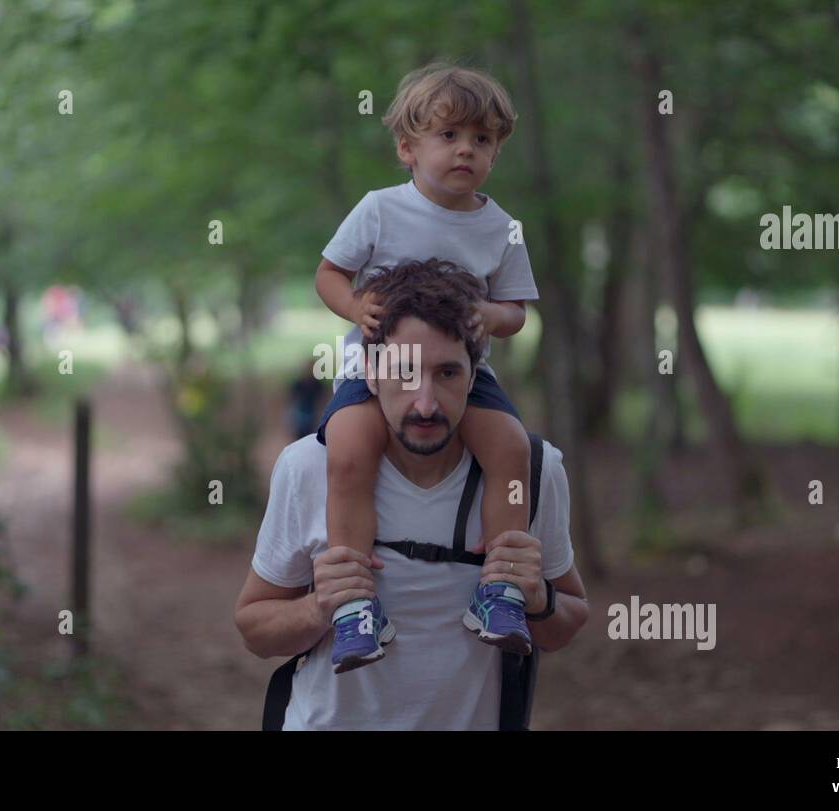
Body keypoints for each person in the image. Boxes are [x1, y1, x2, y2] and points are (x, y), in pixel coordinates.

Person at [234, 261, 588, 730]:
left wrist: (537, 597)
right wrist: (317, 606)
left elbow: (568, 619)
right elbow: (255, 628)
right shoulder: (309, 467)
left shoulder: (533, 471)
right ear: (371, 375)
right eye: (404, 372)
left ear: (474, 375)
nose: (425, 402)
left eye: (447, 373)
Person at [312, 63, 540, 672]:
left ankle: (500, 589)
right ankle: (355, 604)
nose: (467, 148)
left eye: (483, 139)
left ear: (496, 151)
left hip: (460, 375)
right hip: (375, 370)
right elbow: (329, 274)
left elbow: (517, 312)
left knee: (512, 446)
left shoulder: (501, 227)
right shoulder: (380, 210)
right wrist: (355, 305)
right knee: (350, 449)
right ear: (408, 148)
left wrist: (489, 315)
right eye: (449, 135)